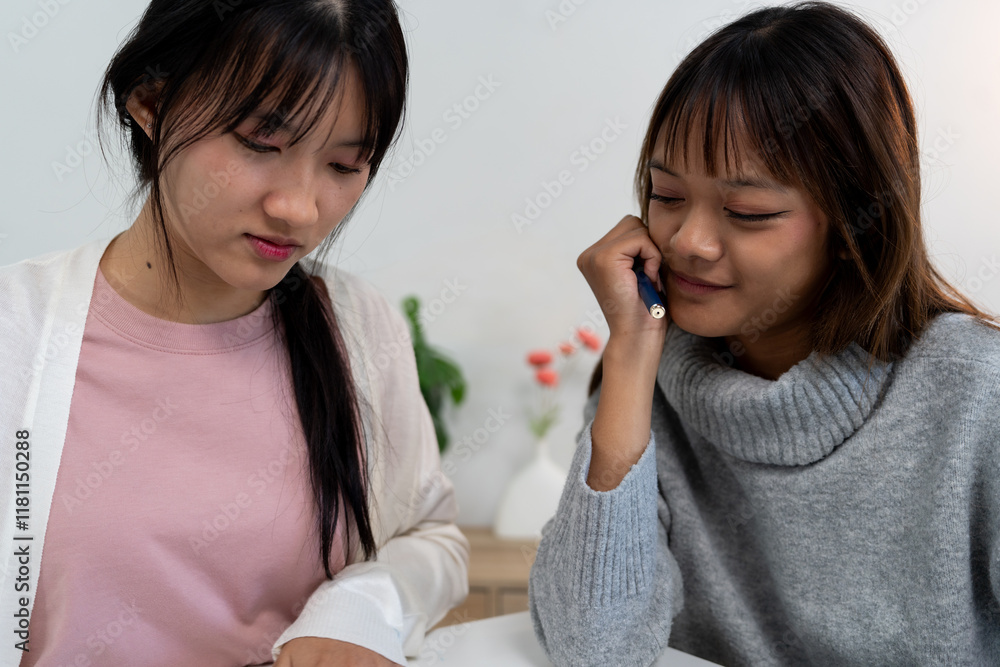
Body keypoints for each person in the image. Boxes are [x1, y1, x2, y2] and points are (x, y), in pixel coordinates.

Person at [529, 2, 1000, 665]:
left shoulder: (978, 390)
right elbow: (592, 646)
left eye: (746, 212)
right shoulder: (644, 387)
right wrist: (633, 351)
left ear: (853, 222)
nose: (688, 241)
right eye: (666, 196)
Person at [0, 1, 469, 665]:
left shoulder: (358, 329)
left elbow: (430, 535)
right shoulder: (15, 332)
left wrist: (363, 607)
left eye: (343, 165)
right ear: (152, 103)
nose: (299, 208)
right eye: (260, 144)